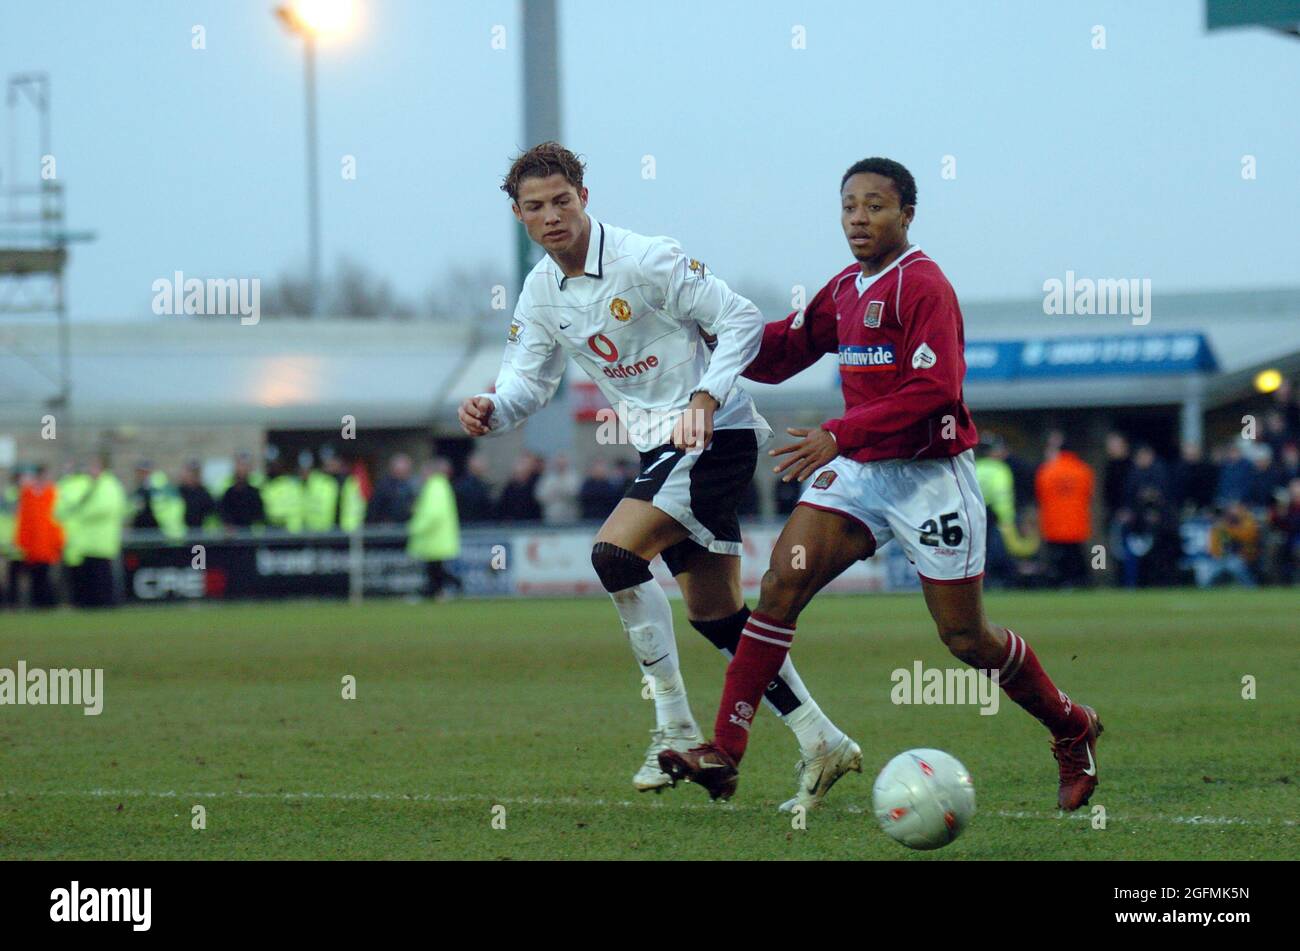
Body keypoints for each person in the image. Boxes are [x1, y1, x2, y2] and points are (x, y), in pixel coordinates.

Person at [658, 157, 1101, 812]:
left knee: (966, 638)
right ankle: (724, 750)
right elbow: (778, 356)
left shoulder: (923, 286)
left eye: (874, 206)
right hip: (860, 472)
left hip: (930, 476)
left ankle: (1070, 724)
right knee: (779, 585)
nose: (858, 219)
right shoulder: (844, 288)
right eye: (849, 206)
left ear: (906, 215)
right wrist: (709, 323)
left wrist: (839, 432)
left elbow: (935, 389)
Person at [458, 141, 855, 809]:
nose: (551, 216)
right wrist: (491, 407)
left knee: (615, 555)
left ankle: (673, 725)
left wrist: (706, 397)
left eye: (562, 201)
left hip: (713, 434)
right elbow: (529, 382)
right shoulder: (539, 292)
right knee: (717, 616)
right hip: (664, 449)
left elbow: (741, 318)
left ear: (584, 198)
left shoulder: (647, 259)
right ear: (519, 216)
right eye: (535, 207)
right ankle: (822, 738)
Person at [1035, 435, 1095, 588]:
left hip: (1053, 523)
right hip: (1077, 522)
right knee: (1076, 555)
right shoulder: (1084, 470)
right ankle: (1081, 582)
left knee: (1057, 558)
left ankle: (1059, 582)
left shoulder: (1046, 471)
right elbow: (1088, 494)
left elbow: (1040, 495)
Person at [76, 455, 128, 607]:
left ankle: (106, 603)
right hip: (91, 541)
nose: (90, 470)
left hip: (102, 540)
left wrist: (83, 513)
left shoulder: (109, 485)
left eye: (94, 467)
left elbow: (104, 508)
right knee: (92, 575)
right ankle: (93, 603)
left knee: (103, 574)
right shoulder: (94, 484)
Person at [407, 459, 463, 597]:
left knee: (435, 569)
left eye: (423, 472)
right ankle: (438, 592)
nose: (422, 475)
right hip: (437, 538)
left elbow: (433, 513)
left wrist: (415, 527)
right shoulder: (440, 486)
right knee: (435, 569)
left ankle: (451, 586)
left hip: (434, 538)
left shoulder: (434, 487)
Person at [14, 464, 62, 608]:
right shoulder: (28, 494)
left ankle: (47, 603)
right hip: (32, 544)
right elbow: (24, 520)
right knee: (34, 575)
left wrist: (58, 540)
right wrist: (22, 542)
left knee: (46, 574)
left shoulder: (52, 493)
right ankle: (37, 603)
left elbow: (58, 518)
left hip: (47, 542)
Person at [366, 453, 416, 526]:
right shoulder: (384, 486)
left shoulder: (409, 486)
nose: (406, 473)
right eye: (403, 470)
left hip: (404, 526)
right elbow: (374, 508)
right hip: (386, 528)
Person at [219, 452, 265, 531]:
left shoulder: (255, 492)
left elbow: (259, 514)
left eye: (244, 466)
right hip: (232, 534)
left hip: (250, 533)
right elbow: (223, 511)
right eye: (240, 465)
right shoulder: (228, 492)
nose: (242, 469)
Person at [535, 454, 580, 524]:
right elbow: (540, 495)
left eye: (563, 463)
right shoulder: (548, 478)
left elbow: (576, 493)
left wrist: (561, 491)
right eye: (559, 463)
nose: (561, 465)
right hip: (551, 515)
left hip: (570, 515)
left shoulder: (573, 477)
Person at [451, 453, 494, 525]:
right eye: (481, 463)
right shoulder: (475, 487)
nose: (485, 466)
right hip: (474, 524)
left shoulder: (459, 485)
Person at [178, 460, 216, 531]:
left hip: (199, 533)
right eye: (189, 472)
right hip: (180, 533)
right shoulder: (177, 493)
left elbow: (211, 513)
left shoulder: (204, 494)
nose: (191, 476)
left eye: (195, 473)